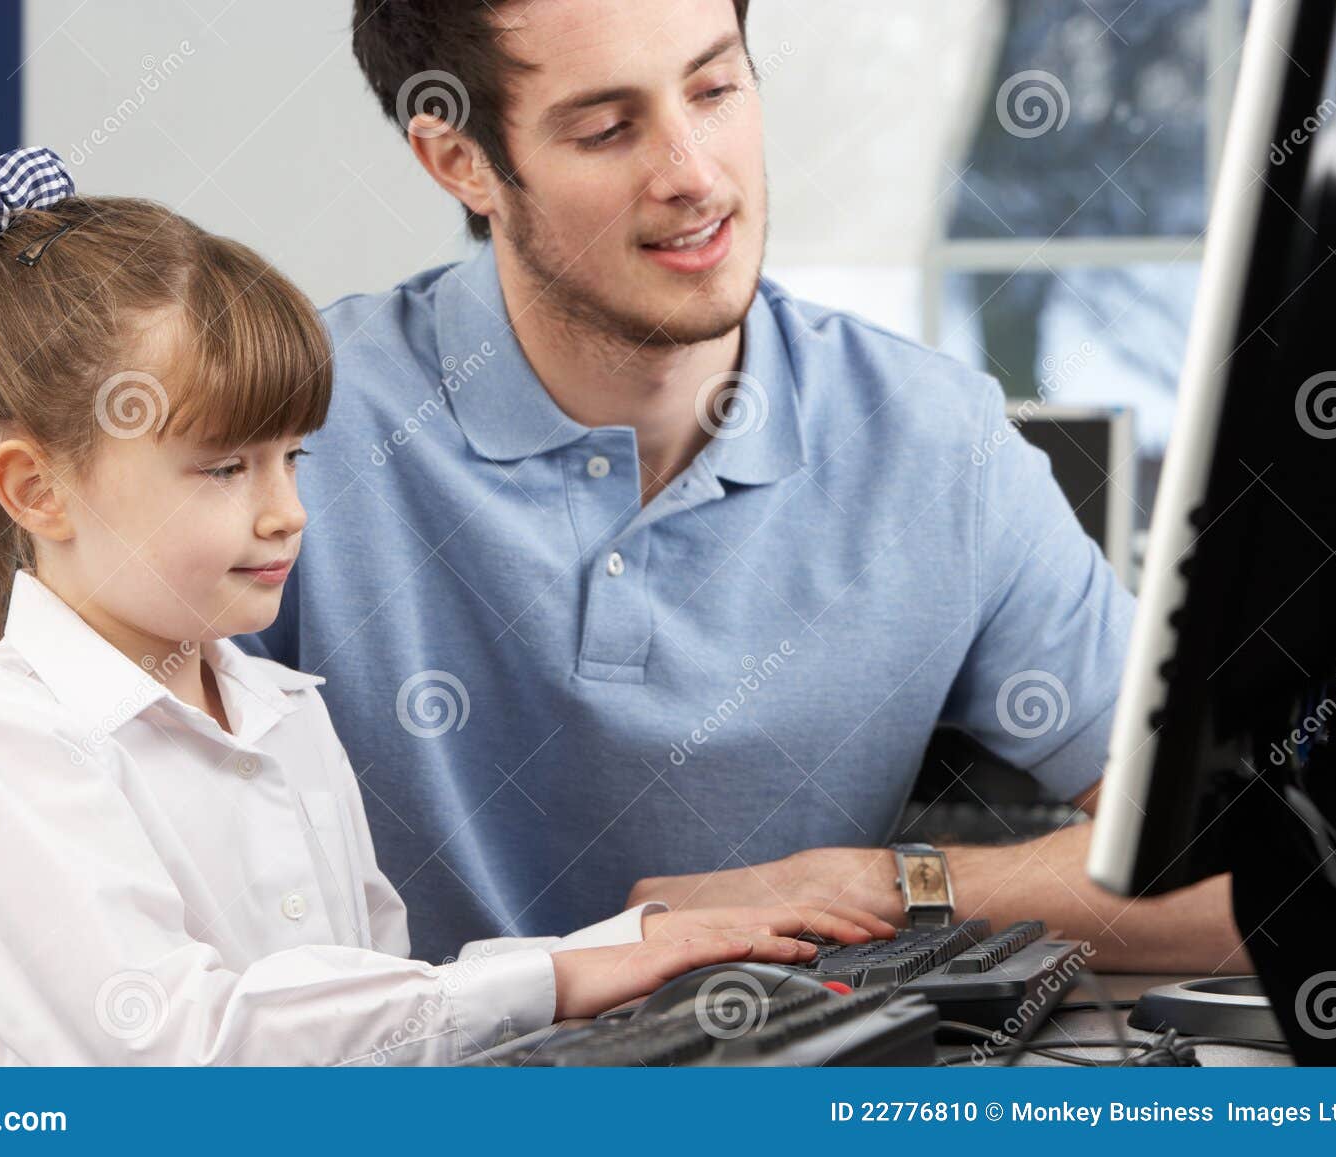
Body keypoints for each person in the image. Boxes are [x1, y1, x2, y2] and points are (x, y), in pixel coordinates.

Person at [0, 148, 893, 1066]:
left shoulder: (282, 705)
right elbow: (190, 1047)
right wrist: (566, 973)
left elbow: (382, 1004)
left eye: (293, 457)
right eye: (224, 467)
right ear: (37, 488)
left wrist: (645, 938)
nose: (286, 511)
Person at [238, 0, 1250, 974]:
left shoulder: (934, 443)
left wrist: (869, 886)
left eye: (715, 88)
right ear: (459, 161)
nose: (692, 173)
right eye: (605, 127)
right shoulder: (284, 424)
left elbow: (1255, 866)